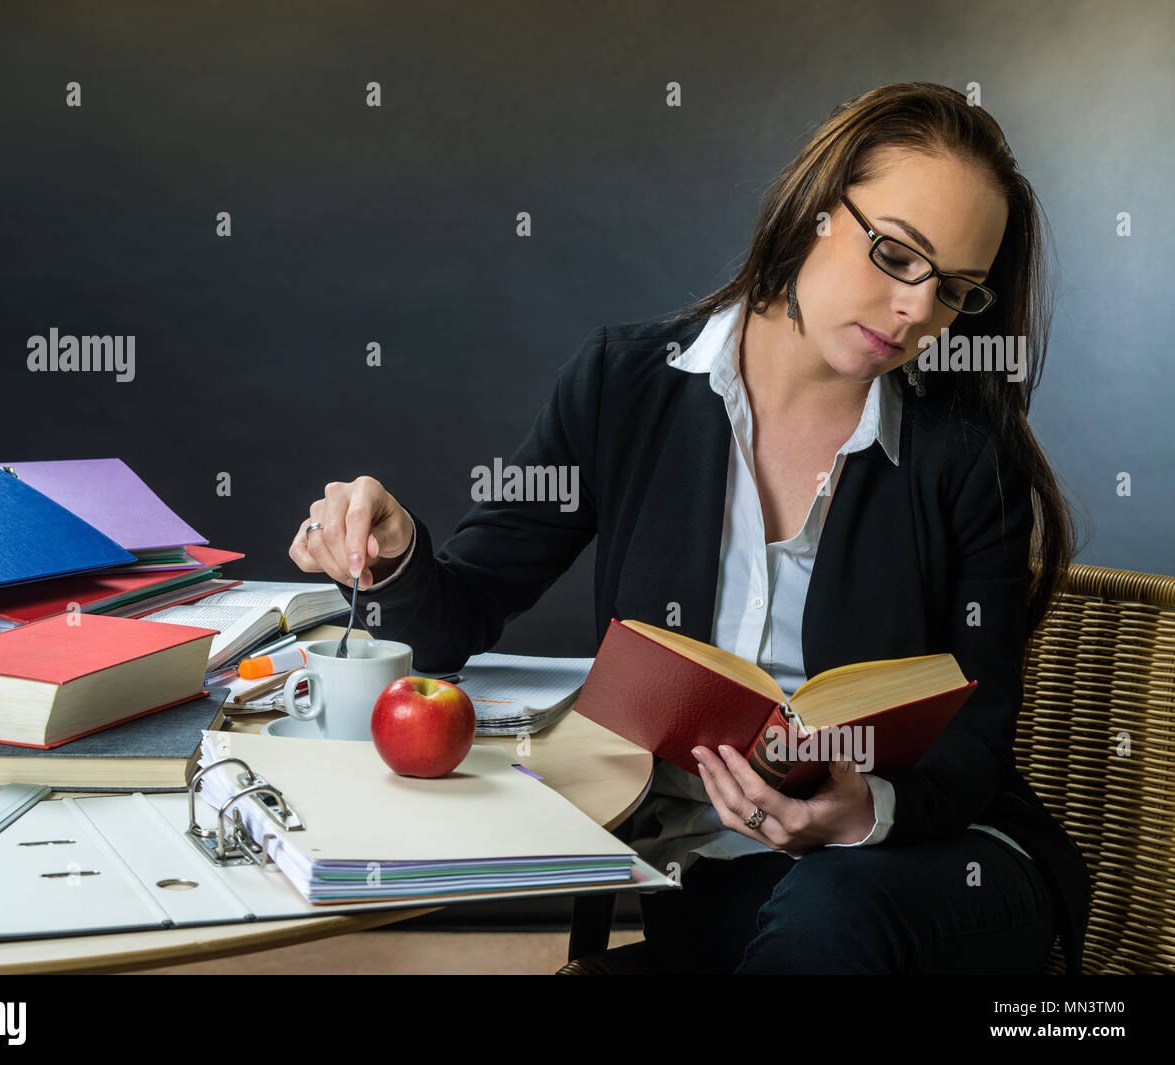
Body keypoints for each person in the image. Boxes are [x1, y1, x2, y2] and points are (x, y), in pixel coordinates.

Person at [288, 81, 1091, 975]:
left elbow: (975, 746)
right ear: (815, 207)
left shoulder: (966, 457)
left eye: (956, 292)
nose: (917, 311)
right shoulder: (624, 385)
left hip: (937, 868)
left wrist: (862, 808)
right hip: (716, 885)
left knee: (827, 912)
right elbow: (456, 615)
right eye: (897, 255)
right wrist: (392, 558)